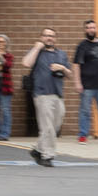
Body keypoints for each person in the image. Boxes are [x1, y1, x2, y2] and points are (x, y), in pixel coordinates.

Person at [21, 27, 70, 167]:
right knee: (47, 127)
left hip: (58, 95)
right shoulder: (37, 52)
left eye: (52, 36)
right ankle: (47, 156)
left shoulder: (61, 54)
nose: (49, 38)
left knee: (56, 126)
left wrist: (62, 68)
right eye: (46, 35)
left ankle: (37, 149)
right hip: (42, 94)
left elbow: (70, 75)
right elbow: (26, 63)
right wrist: (37, 47)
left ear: (55, 38)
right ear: (41, 37)